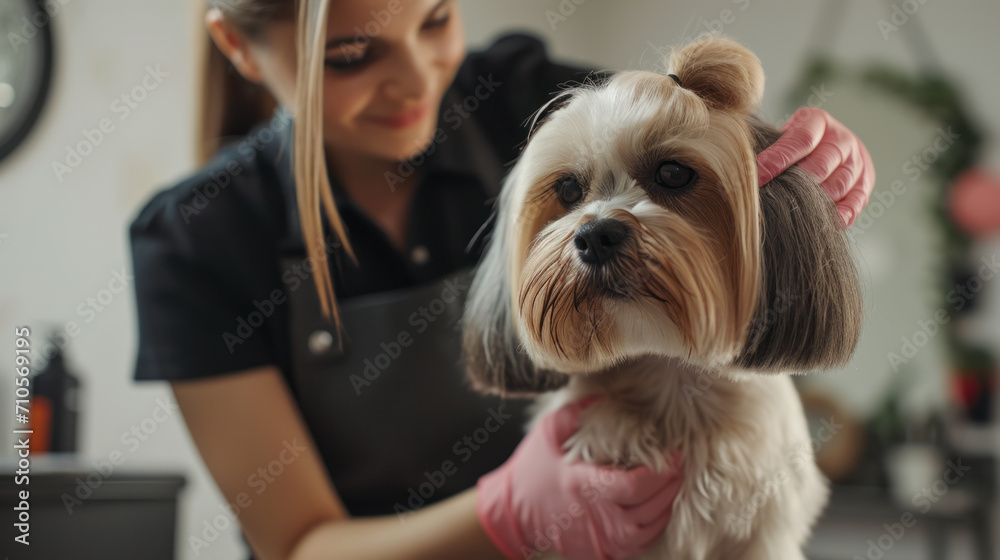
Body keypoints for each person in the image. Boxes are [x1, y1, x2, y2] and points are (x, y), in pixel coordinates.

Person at [127, 1, 876, 559]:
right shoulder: (196, 238)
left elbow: (704, 150)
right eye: (353, 55)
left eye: (437, 19)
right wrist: (507, 513)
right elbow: (296, 544)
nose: (417, 80)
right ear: (239, 46)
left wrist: (805, 176)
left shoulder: (520, 96)